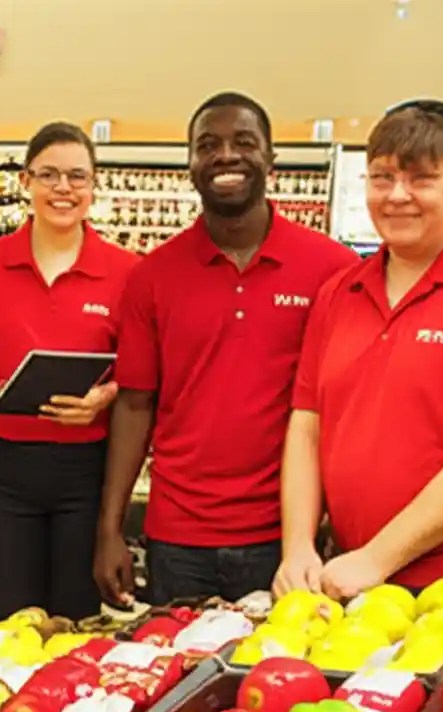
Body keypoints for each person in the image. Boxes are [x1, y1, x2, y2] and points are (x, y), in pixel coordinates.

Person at [94, 92, 360, 607]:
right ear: (190, 165)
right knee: (181, 680)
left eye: (244, 142)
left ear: (271, 160)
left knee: (285, 680)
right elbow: (134, 404)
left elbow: (347, 403)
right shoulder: (152, 277)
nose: (225, 155)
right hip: (178, 535)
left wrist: (336, 521)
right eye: (207, 145)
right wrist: (110, 529)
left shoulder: (333, 269)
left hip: (287, 539)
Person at [273, 99, 443, 601]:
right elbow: (308, 424)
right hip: (352, 576)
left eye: (422, 178)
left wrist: (377, 557)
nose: (397, 196)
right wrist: (298, 544)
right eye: (382, 177)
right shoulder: (339, 292)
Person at [0, 121, 136, 621]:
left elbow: (136, 372)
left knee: (75, 617)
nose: (63, 189)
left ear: (95, 185)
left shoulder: (125, 271)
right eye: (48, 174)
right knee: (13, 618)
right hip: (3, 466)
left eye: (77, 176)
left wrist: (103, 398)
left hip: (86, 469)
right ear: (26, 181)